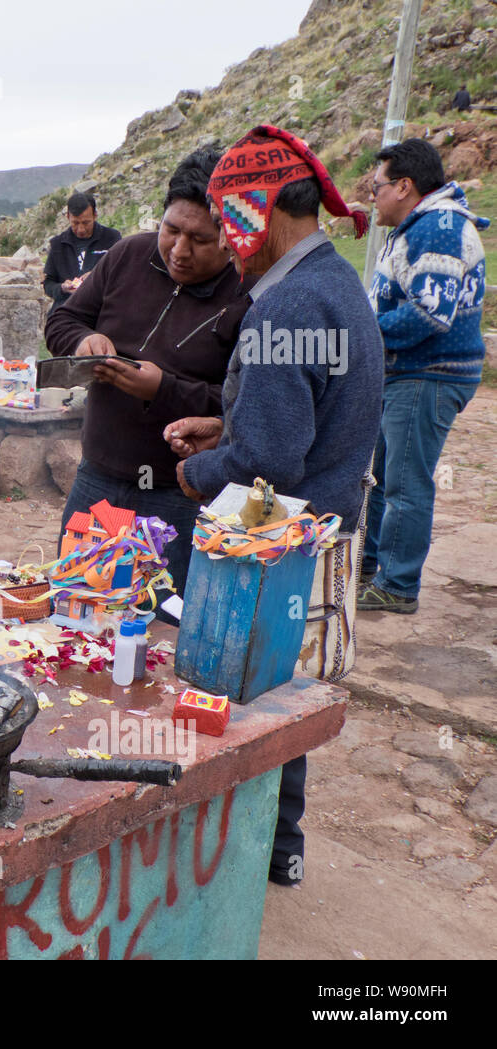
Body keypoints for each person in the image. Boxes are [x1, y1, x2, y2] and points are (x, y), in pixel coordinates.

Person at [164, 126, 383, 888]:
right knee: (282, 704)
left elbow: (268, 461)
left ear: (259, 212)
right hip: (328, 526)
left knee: (253, 704)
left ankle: (241, 861)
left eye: (228, 222)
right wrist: (231, 423)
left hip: (282, 554)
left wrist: (202, 470)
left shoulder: (285, 307)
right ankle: (280, 848)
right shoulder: (335, 280)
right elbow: (299, 416)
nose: (226, 244)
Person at [44, 148, 254, 598]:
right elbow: (61, 322)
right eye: (171, 230)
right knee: (76, 606)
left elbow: (243, 404)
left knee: (158, 623)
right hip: (98, 479)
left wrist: (164, 389)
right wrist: (83, 342)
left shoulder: (245, 293)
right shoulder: (129, 255)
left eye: (198, 239)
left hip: (179, 495)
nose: (179, 251)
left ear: (228, 236)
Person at [359, 138, 488, 615]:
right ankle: (372, 569)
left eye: (377, 187)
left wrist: (362, 336)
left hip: (426, 373)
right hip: (407, 374)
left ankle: (396, 583)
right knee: (380, 476)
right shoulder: (424, 225)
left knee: (405, 483)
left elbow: (430, 313)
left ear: (405, 186)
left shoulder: (438, 227)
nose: (372, 196)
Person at [43, 191, 122, 307]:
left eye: (86, 223)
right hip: (66, 308)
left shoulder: (112, 238)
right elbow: (48, 284)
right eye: (75, 223)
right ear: (68, 217)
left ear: (95, 215)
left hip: (103, 308)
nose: (81, 229)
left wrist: (97, 275)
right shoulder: (57, 245)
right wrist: (62, 288)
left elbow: (122, 273)